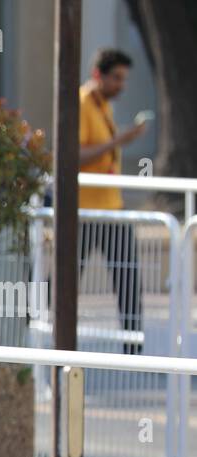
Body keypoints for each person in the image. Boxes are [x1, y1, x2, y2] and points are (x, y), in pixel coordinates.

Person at [79, 47, 146, 354]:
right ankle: (34, 332)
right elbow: (75, 155)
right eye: (116, 78)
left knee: (128, 278)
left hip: (112, 209)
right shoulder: (82, 103)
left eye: (124, 79)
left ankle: (134, 351)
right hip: (84, 212)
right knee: (63, 282)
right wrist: (121, 140)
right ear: (98, 75)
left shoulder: (103, 105)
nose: (121, 85)